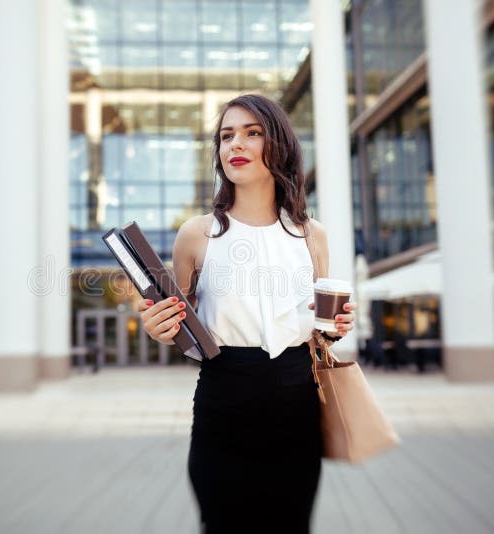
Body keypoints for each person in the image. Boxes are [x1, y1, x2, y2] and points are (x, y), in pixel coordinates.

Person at [135, 94, 356, 533]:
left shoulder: (312, 235)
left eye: (252, 133)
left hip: (297, 405)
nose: (235, 144)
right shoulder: (197, 234)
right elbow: (182, 323)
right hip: (224, 401)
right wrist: (159, 328)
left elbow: (319, 328)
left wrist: (334, 329)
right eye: (226, 136)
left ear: (279, 145)